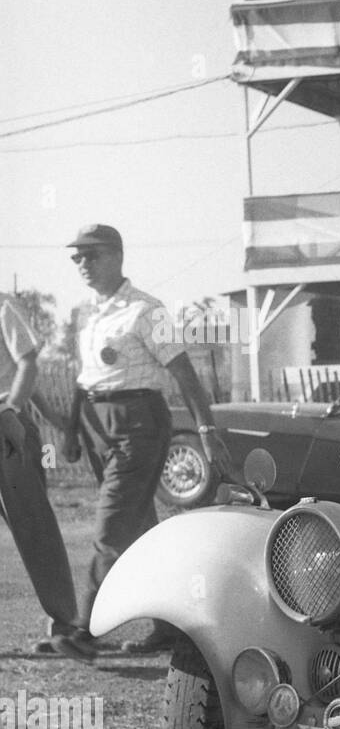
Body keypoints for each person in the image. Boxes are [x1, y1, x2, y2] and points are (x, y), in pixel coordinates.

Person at [63, 223, 233, 659]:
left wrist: (206, 430)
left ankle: (83, 628)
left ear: (117, 256)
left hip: (139, 422)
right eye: (77, 257)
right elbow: (84, 379)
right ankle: (171, 626)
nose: (84, 264)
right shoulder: (86, 313)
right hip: (96, 423)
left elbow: (184, 373)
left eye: (93, 254)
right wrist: (69, 430)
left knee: (111, 523)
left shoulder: (146, 310)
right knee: (140, 531)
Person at [0, 294, 87, 659]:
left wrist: (14, 412)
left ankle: (65, 623)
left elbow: (28, 365)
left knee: (33, 527)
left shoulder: (3, 308)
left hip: (4, 424)